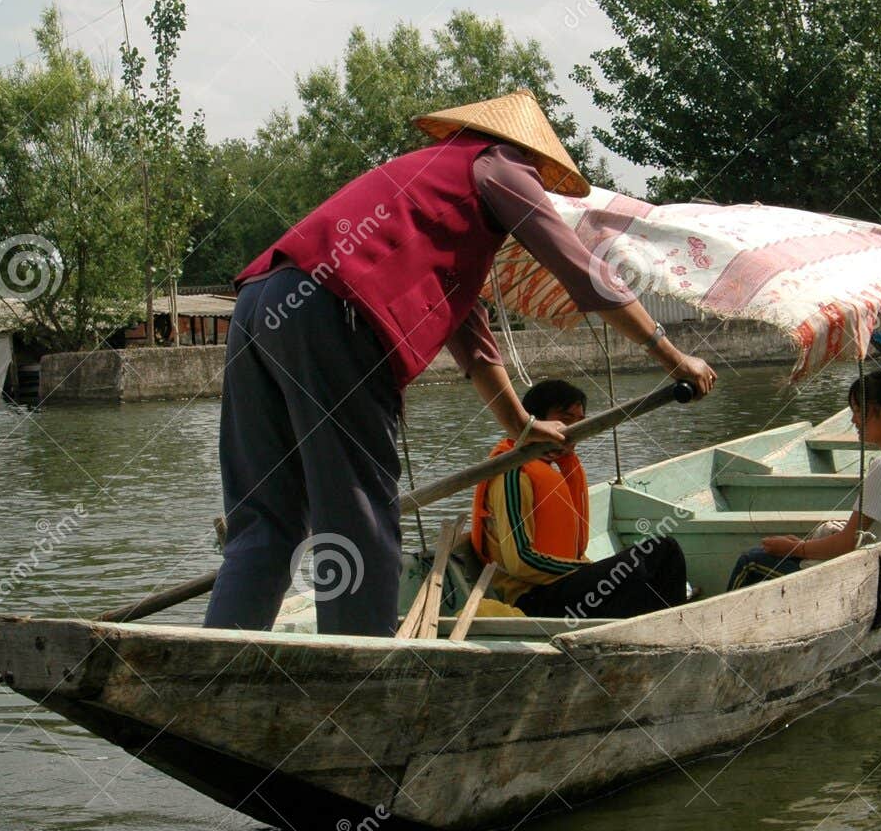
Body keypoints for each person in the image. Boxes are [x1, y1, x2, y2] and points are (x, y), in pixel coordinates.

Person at [204, 90, 717, 637]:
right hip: (334, 310)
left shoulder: (432, 194)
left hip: (259, 302)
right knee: (359, 519)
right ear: (531, 159)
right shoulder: (498, 165)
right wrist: (670, 354)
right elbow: (586, 274)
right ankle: (362, 677)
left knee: (265, 522)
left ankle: (212, 664)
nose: (538, 187)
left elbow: (472, 343)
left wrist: (520, 426)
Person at [471, 379, 688, 620]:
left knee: (651, 570)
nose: (573, 432)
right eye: (564, 421)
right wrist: (592, 570)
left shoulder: (551, 469)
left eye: (579, 424)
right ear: (535, 422)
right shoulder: (512, 473)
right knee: (662, 552)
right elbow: (519, 562)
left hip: (565, 590)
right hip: (533, 600)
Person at [728, 369, 881, 589]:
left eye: (860, 411)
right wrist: (802, 546)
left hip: (870, 583)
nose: (853, 420)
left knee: (751, 561)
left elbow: (847, 543)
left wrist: (794, 549)